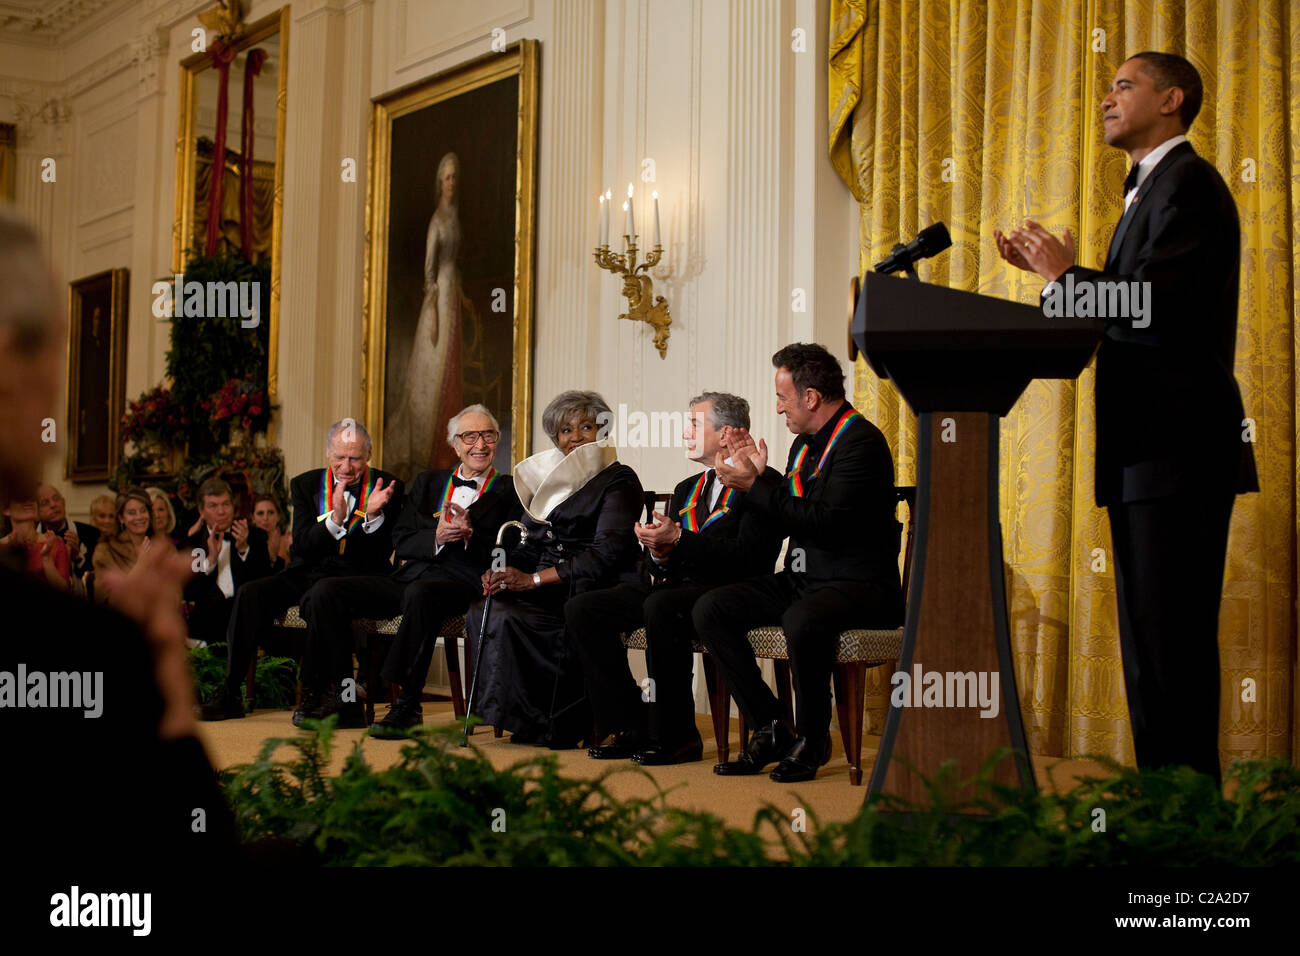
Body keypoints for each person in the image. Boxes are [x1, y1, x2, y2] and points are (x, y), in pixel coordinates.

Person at [994, 52, 1256, 784]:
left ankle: (1188, 818)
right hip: (1148, 453)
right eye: (1109, 86)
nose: (1107, 98)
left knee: (1171, 646)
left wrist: (1067, 280)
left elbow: (1155, 307)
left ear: (1172, 99)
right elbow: (1128, 310)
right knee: (1150, 646)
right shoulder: (1146, 193)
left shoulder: (1190, 186)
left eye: (1124, 85)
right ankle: (1164, 807)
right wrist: (1059, 286)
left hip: (1179, 450)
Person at [0, 206, 236, 869]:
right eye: (55, 356)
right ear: (8, 357)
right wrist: (154, 664)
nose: (55, 402)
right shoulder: (64, 646)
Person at [694, 343, 904, 783]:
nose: (776, 409)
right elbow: (789, 509)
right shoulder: (803, 445)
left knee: (802, 619)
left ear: (810, 398)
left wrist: (755, 485)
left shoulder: (861, 443)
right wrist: (758, 474)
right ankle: (771, 726)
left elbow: (826, 524)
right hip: (807, 578)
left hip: (859, 584)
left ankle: (814, 739)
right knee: (711, 608)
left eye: (782, 399)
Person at [566, 392, 785, 764]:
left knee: (661, 605)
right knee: (584, 608)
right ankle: (631, 724)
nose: (685, 432)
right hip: (679, 587)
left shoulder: (763, 483)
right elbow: (663, 564)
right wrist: (657, 551)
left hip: (730, 591)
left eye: (695, 424)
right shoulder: (688, 488)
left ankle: (678, 736)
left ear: (726, 432)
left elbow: (750, 559)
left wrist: (680, 540)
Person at [305, 405, 520, 733]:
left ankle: (406, 705)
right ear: (454, 444)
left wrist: (470, 536)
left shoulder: (511, 489)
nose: (480, 444)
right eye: (469, 436)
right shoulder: (428, 483)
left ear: (497, 440)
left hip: (463, 583)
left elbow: (512, 552)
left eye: (488, 435)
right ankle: (346, 700)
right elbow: (402, 539)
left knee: (422, 595)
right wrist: (435, 536)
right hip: (411, 575)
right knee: (327, 591)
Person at [468, 390, 643, 748]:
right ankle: (525, 719)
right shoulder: (549, 482)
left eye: (585, 426)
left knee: (527, 618)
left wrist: (532, 581)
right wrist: (506, 572)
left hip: (596, 584)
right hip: (548, 583)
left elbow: (606, 554)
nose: (575, 436)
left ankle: (564, 723)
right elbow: (528, 544)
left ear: (603, 430)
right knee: (486, 607)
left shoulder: (619, 479)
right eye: (565, 430)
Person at [198, 422, 400, 721]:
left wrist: (372, 517)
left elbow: (383, 552)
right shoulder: (305, 484)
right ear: (328, 453)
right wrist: (333, 523)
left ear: (369, 453)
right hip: (308, 571)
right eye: (340, 457)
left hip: (360, 575)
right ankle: (230, 692)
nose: (346, 466)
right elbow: (303, 545)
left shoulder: (388, 485)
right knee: (250, 593)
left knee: (322, 596)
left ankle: (336, 698)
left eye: (355, 458)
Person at [386, 151, 466, 480]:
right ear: (439, 182)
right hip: (439, 299)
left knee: (452, 366)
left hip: (453, 293)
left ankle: (449, 447)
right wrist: (432, 311)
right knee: (433, 371)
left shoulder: (456, 215)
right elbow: (429, 271)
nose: (450, 183)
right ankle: (427, 446)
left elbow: (453, 263)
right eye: (445, 177)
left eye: (454, 177)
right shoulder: (437, 220)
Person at [180, 477, 273, 649]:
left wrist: (244, 550)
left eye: (226, 504)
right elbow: (191, 592)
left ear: (233, 506)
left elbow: (264, 582)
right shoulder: (193, 545)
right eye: (213, 506)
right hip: (206, 630)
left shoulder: (256, 537)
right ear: (201, 510)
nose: (221, 511)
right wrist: (211, 561)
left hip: (246, 623)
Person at [91, 487, 156, 607]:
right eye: (131, 513)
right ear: (121, 518)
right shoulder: (106, 551)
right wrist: (140, 567)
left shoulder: (159, 545)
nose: (139, 517)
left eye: (143, 510)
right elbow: (105, 600)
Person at [2, 494, 71, 589]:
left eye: (31, 496)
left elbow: (64, 590)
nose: (28, 501)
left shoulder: (54, 543)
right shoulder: (2, 547)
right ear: (6, 510)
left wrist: (46, 559)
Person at [37, 482, 98, 574]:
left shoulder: (91, 533)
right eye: (45, 503)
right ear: (37, 512)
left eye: (56, 499)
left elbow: (98, 576)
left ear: (64, 502)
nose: (53, 505)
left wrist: (77, 557)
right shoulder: (30, 539)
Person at [250, 492, 292, 572]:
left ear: (278, 516)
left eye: (270, 513)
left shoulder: (287, 540)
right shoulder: (248, 545)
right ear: (253, 518)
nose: (265, 518)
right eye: (260, 513)